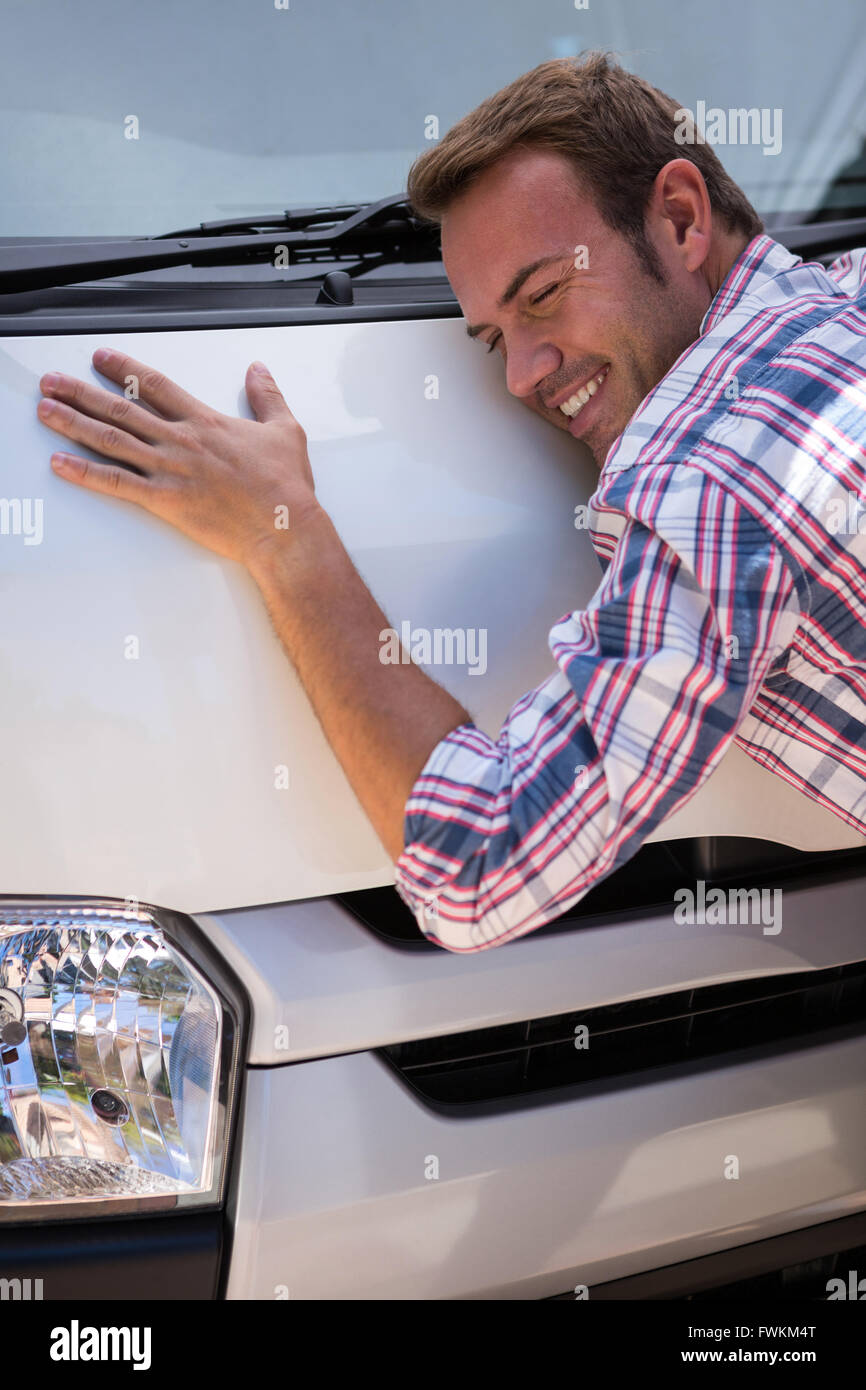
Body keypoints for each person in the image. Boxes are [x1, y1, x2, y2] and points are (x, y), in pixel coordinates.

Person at [35, 53, 866, 952]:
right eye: (492, 339)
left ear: (679, 216)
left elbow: (481, 866)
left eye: (545, 295)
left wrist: (286, 536)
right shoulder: (836, 308)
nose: (523, 373)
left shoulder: (723, 479)